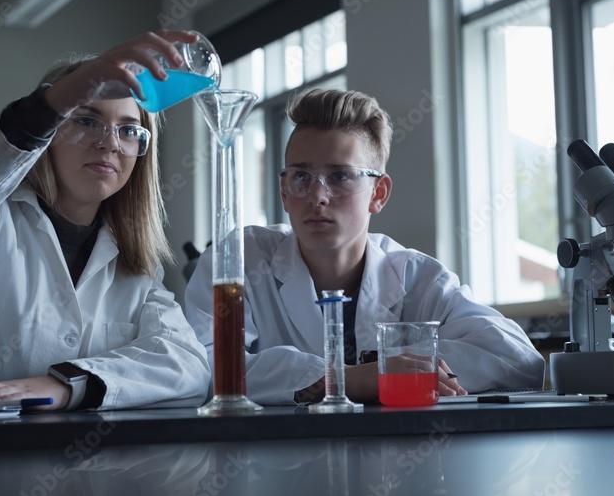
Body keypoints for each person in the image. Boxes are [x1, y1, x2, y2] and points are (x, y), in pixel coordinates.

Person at [0, 31, 210, 410]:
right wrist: (56, 99)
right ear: (49, 133)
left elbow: (188, 363)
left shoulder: (136, 267)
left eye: (128, 130)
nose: (109, 142)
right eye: (88, 120)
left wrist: (67, 384)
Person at [185, 88, 545, 405]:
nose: (318, 196)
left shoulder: (417, 276)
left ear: (379, 193)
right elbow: (205, 366)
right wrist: (359, 378)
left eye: (340, 176)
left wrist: (399, 367)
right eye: (301, 177)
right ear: (284, 192)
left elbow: (518, 360)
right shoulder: (241, 259)